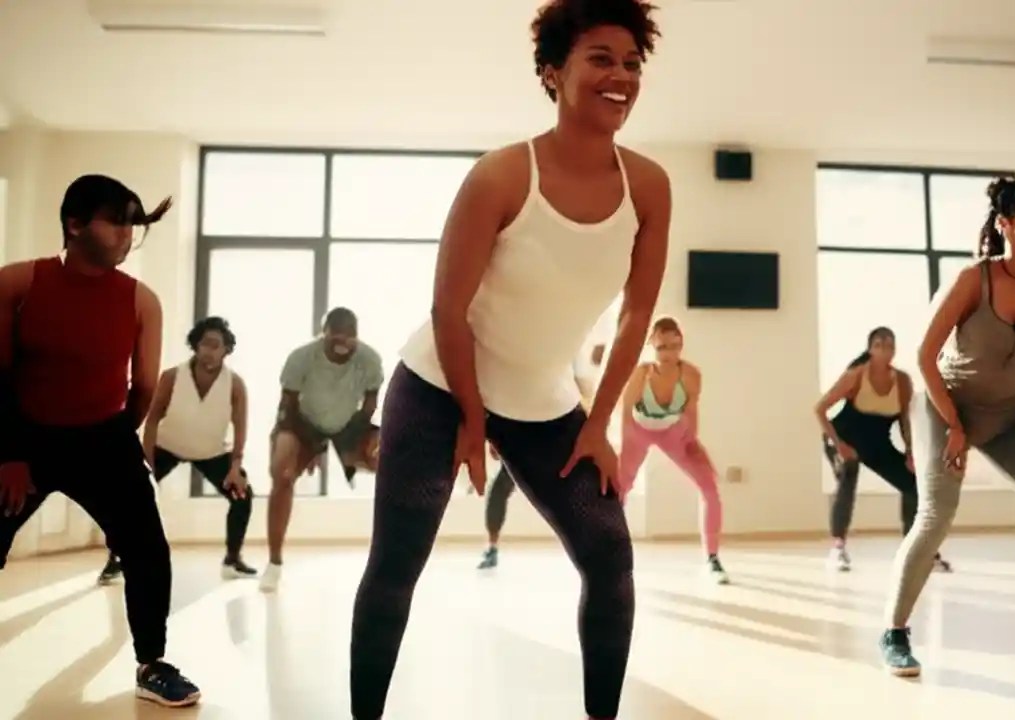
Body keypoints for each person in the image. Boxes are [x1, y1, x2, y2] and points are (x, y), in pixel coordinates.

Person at [347, 0, 669, 716]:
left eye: (631, 63)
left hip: (545, 400)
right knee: (398, 562)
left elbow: (637, 314)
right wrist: (469, 417)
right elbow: (447, 309)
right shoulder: (500, 176)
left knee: (610, 557)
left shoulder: (648, 186)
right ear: (553, 74)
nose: (620, 76)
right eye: (601, 59)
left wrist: (599, 423)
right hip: (437, 386)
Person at [878, 167, 1015, 677]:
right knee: (937, 516)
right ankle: (894, 632)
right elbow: (925, 355)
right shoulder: (973, 280)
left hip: (1012, 418)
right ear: (1006, 222)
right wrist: (953, 424)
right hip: (943, 405)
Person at [0, 175, 200, 706]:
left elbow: (145, 389)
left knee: (147, 550)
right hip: (24, 438)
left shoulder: (141, 301)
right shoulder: (17, 284)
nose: (128, 234)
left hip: (103, 439)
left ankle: (152, 662)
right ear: (74, 224)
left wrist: (113, 442)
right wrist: (11, 454)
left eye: (134, 224)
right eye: (118, 221)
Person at [98, 316, 256, 585]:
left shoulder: (235, 384)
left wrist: (235, 466)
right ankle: (117, 558)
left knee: (243, 495)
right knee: (128, 495)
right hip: (167, 446)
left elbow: (240, 426)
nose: (210, 350)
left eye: (217, 345)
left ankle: (233, 558)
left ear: (226, 349)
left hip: (211, 451)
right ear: (195, 346)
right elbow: (153, 418)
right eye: (205, 344)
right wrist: (145, 461)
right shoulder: (171, 376)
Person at [260, 307, 383, 593]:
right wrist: (312, 447)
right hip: (302, 423)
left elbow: (370, 404)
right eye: (334, 337)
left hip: (348, 424)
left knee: (391, 462)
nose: (342, 343)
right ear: (323, 334)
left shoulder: (369, 359)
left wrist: (355, 444)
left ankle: (391, 559)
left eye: (349, 337)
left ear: (357, 336)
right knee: (283, 473)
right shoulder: (301, 358)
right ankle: (274, 563)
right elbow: (288, 406)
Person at [815, 327, 950, 573]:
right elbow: (820, 409)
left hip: (877, 442)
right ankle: (838, 548)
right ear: (870, 349)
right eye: (879, 344)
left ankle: (917, 551)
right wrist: (839, 445)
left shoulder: (902, 381)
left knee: (913, 483)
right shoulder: (856, 375)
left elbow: (905, 422)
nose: (885, 349)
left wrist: (911, 453)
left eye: (890, 344)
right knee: (849, 470)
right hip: (843, 437)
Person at [477, 325, 612, 570]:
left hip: (558, 429)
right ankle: (492, 547)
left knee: (580, 485)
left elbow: (580, 391)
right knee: (499, 490)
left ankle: (594, 548)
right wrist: (493, 436)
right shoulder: (515, 360)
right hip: (519, 431)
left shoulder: (565, 356)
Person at [618, 317, 728, 584]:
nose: (668, 354)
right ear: (651, 345)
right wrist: (624, 457)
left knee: (710, 487)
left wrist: (692, 442)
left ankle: (712, 558)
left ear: (681, 346)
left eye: (674, 347)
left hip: (673, 432)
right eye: (662, 347)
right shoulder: (640, 374)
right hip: (638, 431)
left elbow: (691, 410)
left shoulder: (691, 375)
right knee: (618, 490)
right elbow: (625, 415)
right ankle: (613, 556)